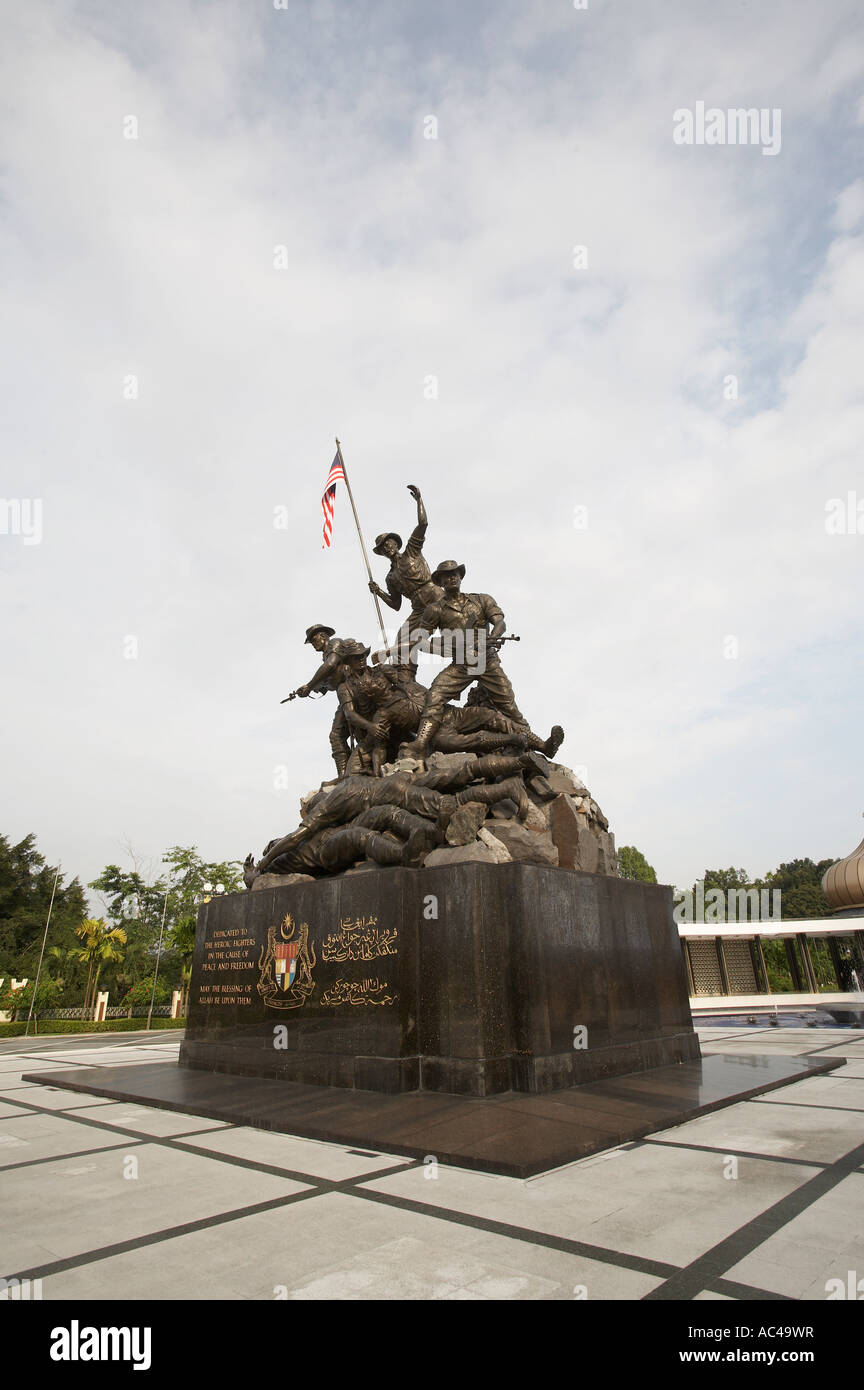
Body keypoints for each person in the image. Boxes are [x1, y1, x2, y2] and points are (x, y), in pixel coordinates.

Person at [399, 560, 529, 761]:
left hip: (486, 660)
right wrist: (446, 649)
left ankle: (529, 741)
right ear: (440, 582)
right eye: (446, 576)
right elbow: (421, 639)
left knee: (508, 704)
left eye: (454, 574)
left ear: (460, 577)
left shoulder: (481, 600)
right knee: (435, 695)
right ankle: (420, 744)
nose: (451, 577)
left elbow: (500, 623)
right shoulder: (435, 610)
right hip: (461, 663)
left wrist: (491, 638)